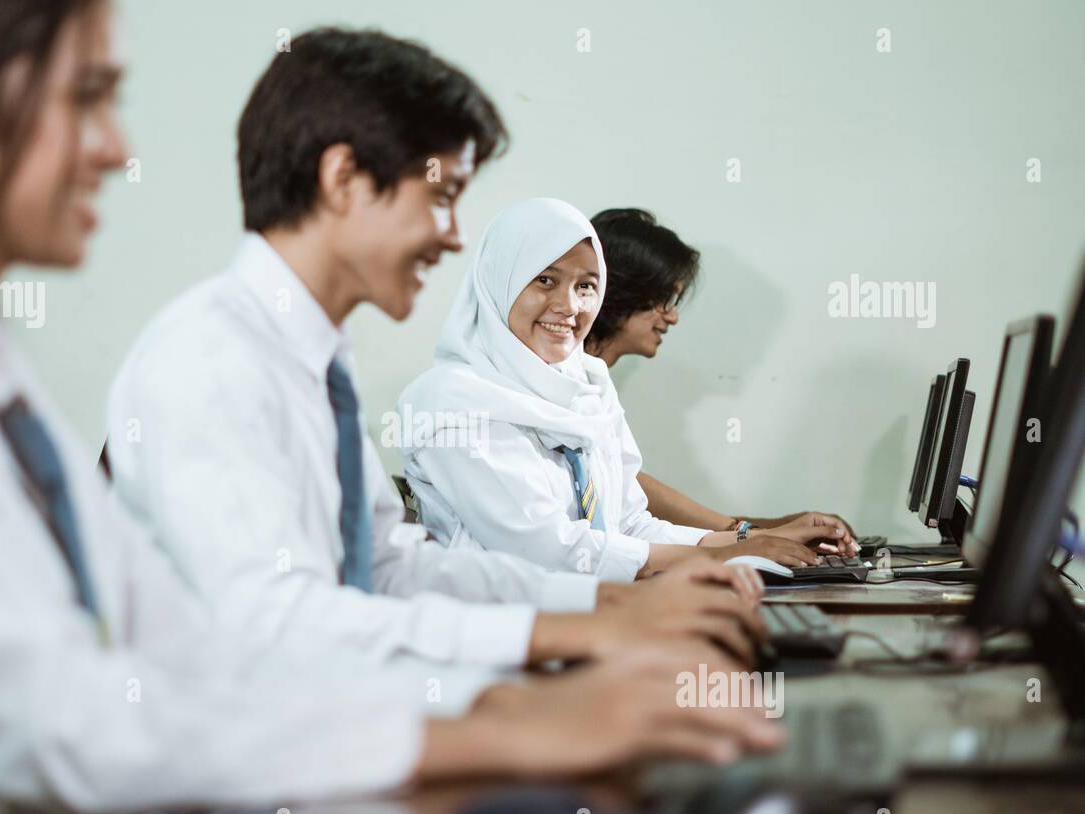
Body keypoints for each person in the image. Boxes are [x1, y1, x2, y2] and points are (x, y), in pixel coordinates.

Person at [0, 4, 781, 814]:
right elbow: (91, 716)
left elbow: (267, 614)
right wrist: (513, 711)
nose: (114, 146)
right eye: (86, 97)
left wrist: (578, 637)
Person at [106, 29, 768, 678]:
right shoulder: (214, 361)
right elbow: (280, 633)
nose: (455, 238)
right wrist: (531, 699)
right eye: (443, 196)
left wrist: (611, 605)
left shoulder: (314, 358)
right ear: (343, 179)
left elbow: (393, 569)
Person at [399, 198, 852, 581]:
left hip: (593, 616)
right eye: (545, 280)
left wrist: (751, 541)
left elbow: (629, 525)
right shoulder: (452, 401)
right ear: (499, 282)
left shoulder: (587, 388)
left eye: (586, 286)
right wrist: (723, 554)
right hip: (502, 641)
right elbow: (545, 550)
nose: (569, 306)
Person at [585, 208, 860, 557]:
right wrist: (747, 532)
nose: (672, 316)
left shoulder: (595, 384)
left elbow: (627, 491)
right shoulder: (566, 380)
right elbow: (628, 491)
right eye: (664, 300)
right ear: (622, 291)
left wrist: (750, 532)